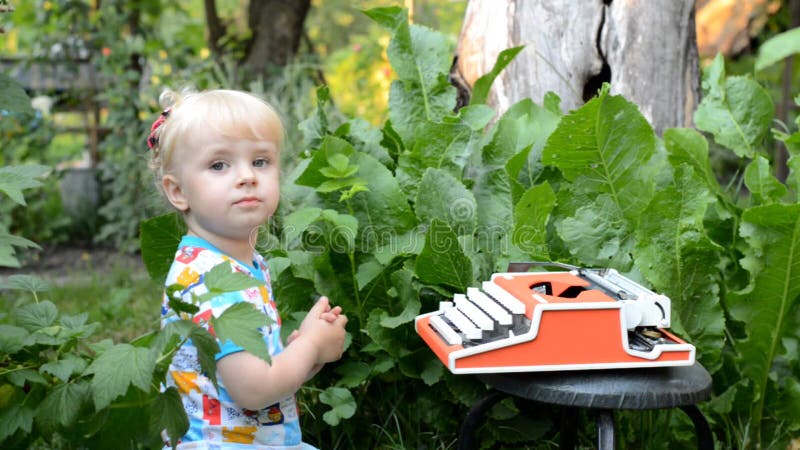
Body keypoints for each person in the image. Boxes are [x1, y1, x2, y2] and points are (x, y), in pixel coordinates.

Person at [147, 87, 348, 449]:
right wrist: (312, 345)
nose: (247, 176)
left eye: (260, 161)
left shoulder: (230, 262)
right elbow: (254, 390)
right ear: (178, 192)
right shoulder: (215, 282)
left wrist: (302, 352)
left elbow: (250, 374)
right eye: (218, 165)